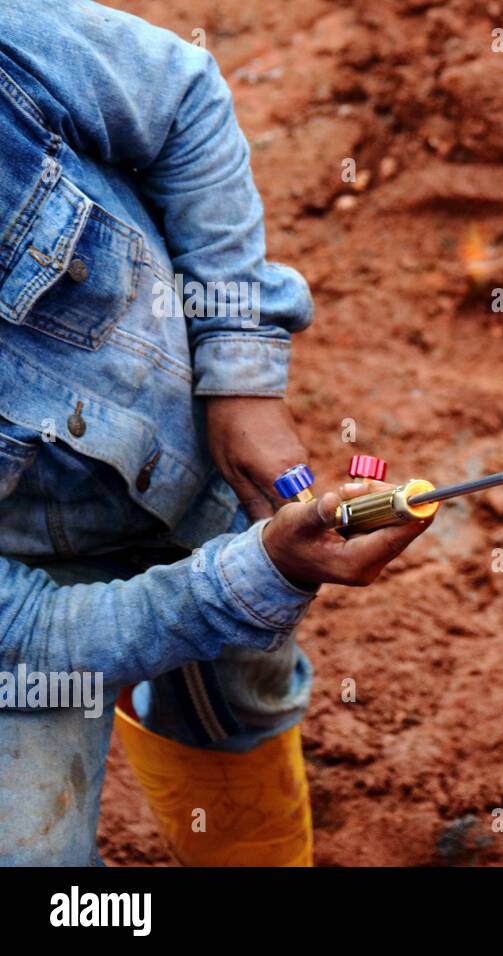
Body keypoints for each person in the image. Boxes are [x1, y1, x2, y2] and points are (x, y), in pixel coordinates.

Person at [0, 0, 430, 865]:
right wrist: (245, 583)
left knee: (242, 697)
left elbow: (183, 101)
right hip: (27, 617)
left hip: (195, 453)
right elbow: (30, 637)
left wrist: (239, 382)